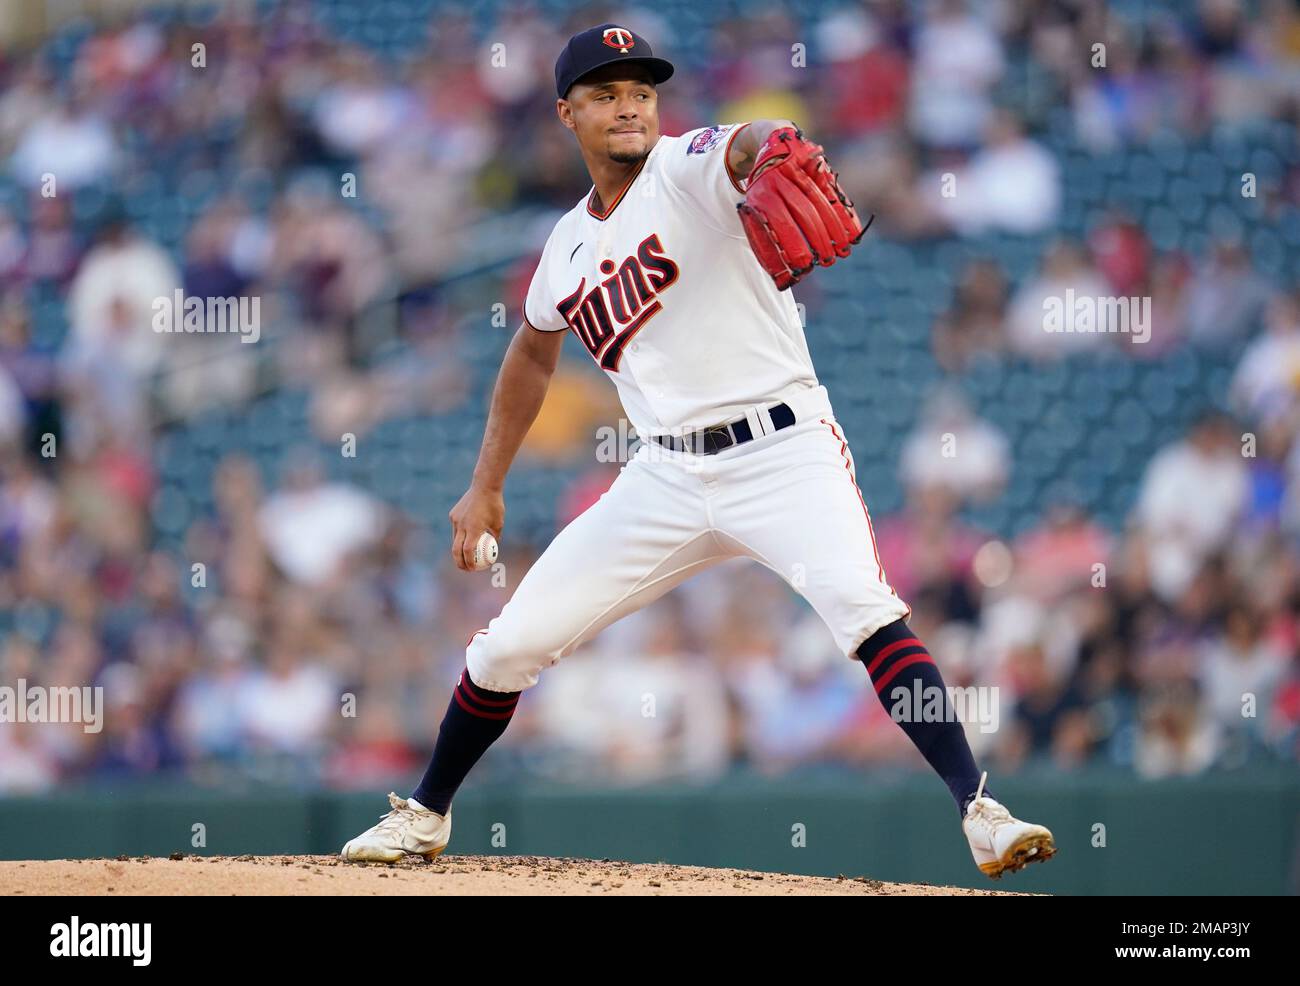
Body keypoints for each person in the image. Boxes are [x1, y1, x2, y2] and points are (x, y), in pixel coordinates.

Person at [341, 23, 1056, 880]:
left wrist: (770, 145)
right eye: (606, 94)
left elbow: (745, 145)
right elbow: (531, 351)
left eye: (642, 91)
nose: (630, 106)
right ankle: (424, 815)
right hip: (666, 475)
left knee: (863, 609)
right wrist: (484, 485)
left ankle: (978, 808)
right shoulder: (565, 248)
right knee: (505, 647)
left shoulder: (687, 167)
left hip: (784, 449)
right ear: (567, 113)